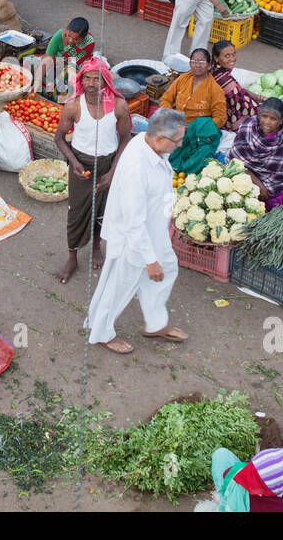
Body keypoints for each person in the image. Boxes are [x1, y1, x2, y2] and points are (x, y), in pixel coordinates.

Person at [83, 108, 188, 354]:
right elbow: (133, 222)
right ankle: (102, 332)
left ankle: (155, 323)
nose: (180, 144)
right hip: (132, 239)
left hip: (154, 231)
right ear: (161, 139)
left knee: (168, 269)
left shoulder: (150, 145)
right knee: (119, 287)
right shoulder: (136, 168)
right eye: (178, 140)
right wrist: (150, 261)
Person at [56, 57, 132, 286]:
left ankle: (97, 245)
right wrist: (73, 162)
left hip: (108, 164)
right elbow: (59, 139)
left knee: (102, 210)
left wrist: (112, 173)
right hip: (81, 163)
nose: (91, 83)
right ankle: (72, 257)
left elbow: (125, 140)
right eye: (86, 78)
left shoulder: (119, 106)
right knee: (76, 211)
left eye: (96, 78)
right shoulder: (73, 105)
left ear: (105, 81)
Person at [159, 48, 226, 128]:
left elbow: (220, 118)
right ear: (190, 63)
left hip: (198, 131)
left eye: (202, 62)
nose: (197, 65)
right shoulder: (182, 79)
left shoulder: (215, 90)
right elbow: (165, 99)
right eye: (194, 62)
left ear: (209, 64)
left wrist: (194, 127)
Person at [36, 17, 94, 95]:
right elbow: (48, 57)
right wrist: (38, 80)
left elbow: (80, 63)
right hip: (55, 62)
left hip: (73, 67)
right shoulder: (59, 36)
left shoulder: (88, 42)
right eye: (68, 35)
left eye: (75, 39)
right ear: (66, 29)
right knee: (33, 66)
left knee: (66, 84)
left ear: (83, 38)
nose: (70, 40)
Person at [211, 40, 260, 132]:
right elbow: (240, 102)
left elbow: (239, 90)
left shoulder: (214, 69)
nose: (232, 59)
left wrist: (259, 97)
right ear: (216, 58)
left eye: (233, 54)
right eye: (227, 56)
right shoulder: (224, 80)